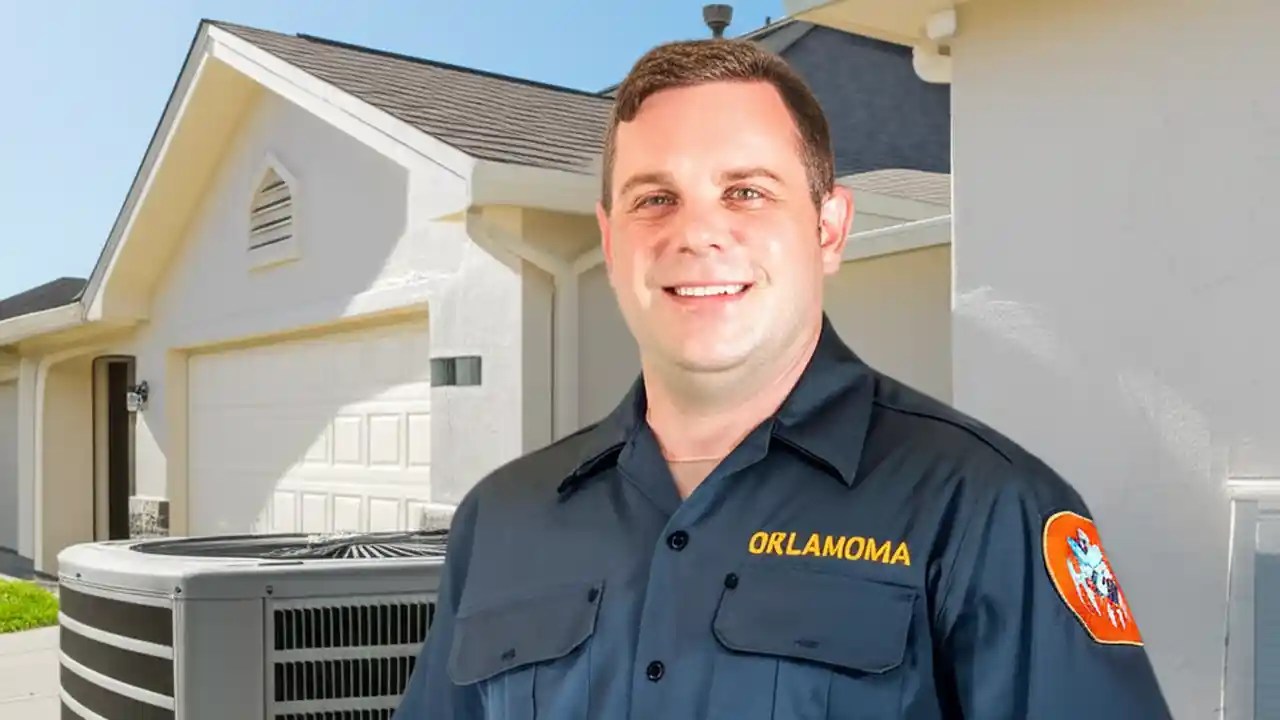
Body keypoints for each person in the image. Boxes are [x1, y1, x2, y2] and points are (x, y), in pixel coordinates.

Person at [393, 38, 1173, 719]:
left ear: (828, 228)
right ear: (610, 236)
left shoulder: (984, 509)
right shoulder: (500, 523)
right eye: (654, 198)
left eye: (746, 192)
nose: (696, 233)